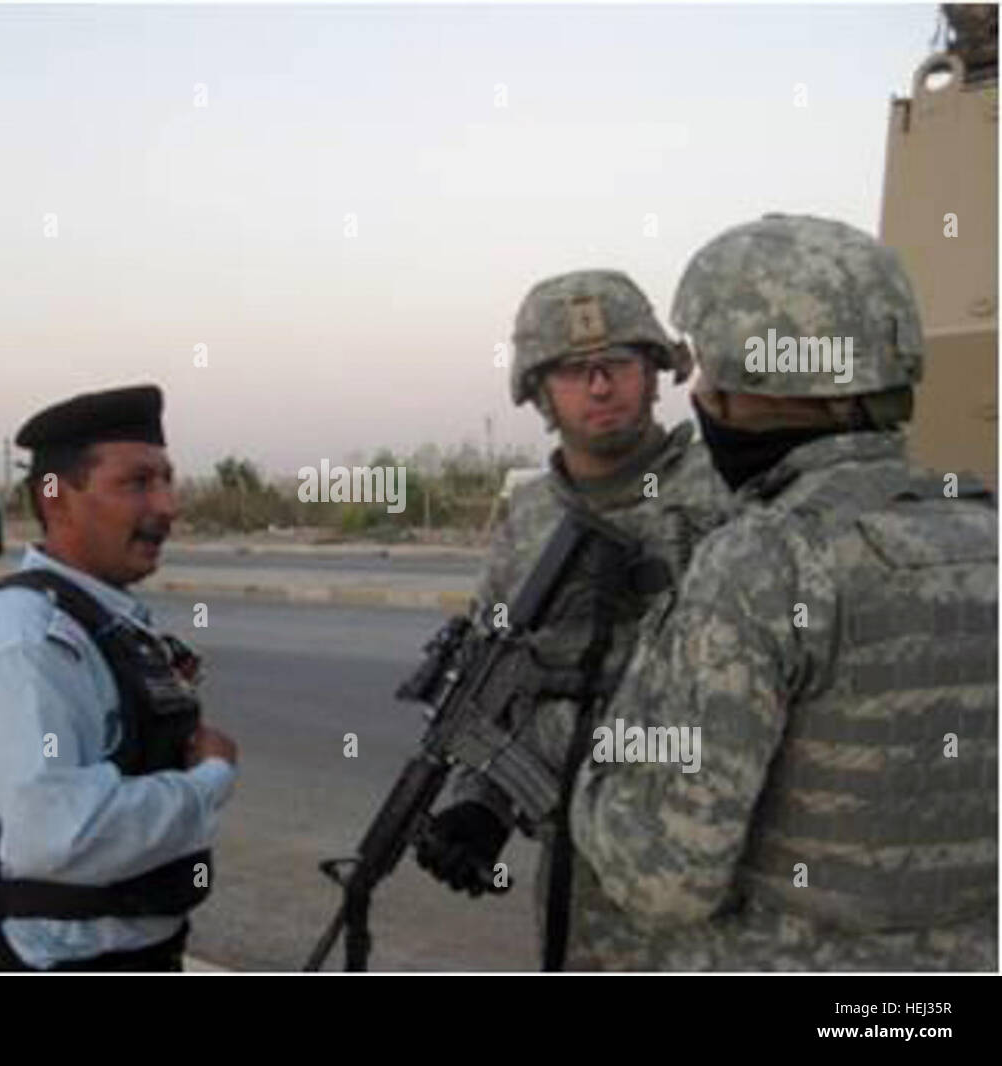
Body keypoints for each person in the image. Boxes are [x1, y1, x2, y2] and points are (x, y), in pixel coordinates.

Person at [571, 214, 998, 970]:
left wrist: (593, 781)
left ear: (749, 380)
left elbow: (666, 879)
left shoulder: (765, 559)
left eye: (705, 371)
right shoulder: (985, 524)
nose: (697, 392)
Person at [414, 270, 729, 968]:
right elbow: (496, 675)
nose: (598, 386)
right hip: (580, 872)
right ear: (538, 391)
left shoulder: (725, 493)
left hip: (717, 856)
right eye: (572, 371)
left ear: (656, 373)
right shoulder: (528, 519)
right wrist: (482, 802)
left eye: (617, 364)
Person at [0, 384, 238, 971]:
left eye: (167, 480)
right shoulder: (22, 637)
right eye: (138, 483)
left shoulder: (101, 619)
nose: (167, 506)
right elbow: (60, 833)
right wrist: (209, 780)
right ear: (57, 498)